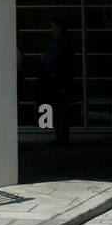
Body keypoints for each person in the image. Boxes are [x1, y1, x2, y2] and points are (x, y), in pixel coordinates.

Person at [42, 15, 75, 146]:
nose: (51, 29)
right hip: (61, 79)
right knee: (60, 109)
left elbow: (51, 58)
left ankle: (61, 137)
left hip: (59, 80)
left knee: (60, 109)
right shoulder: (63, 41)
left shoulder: (61, 42)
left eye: (53, 25)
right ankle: (61, 136)